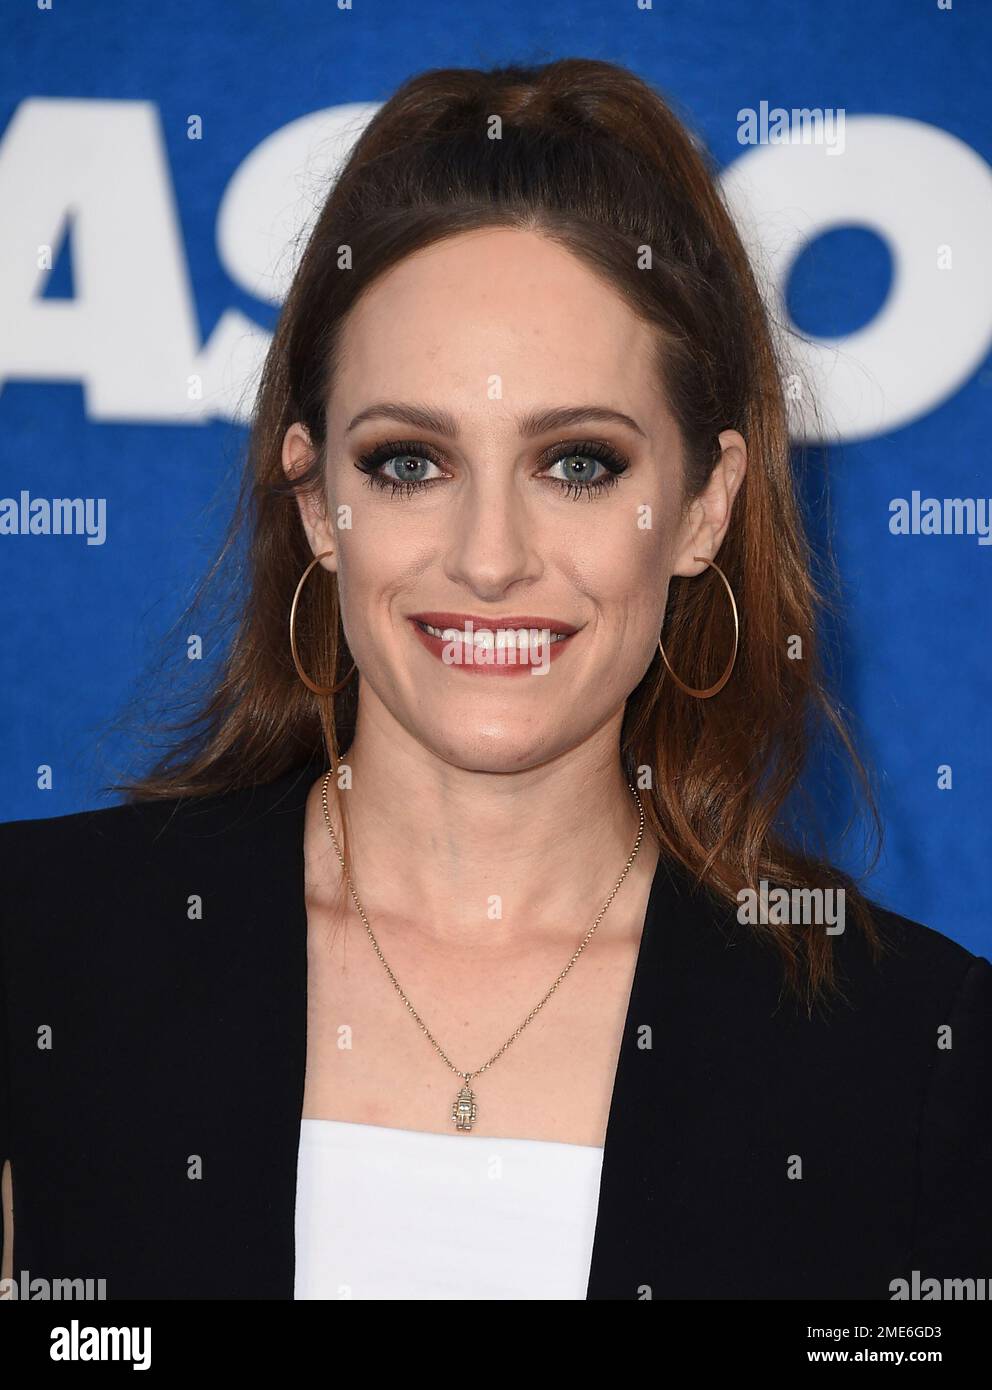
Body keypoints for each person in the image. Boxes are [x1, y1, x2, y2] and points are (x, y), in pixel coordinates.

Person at [1, 58, 989, 1302]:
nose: (486, 558)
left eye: (576, 464)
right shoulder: (37, 953)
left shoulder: (908, 1051)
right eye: (409, 462)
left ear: (699, 508)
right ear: (316, 500)